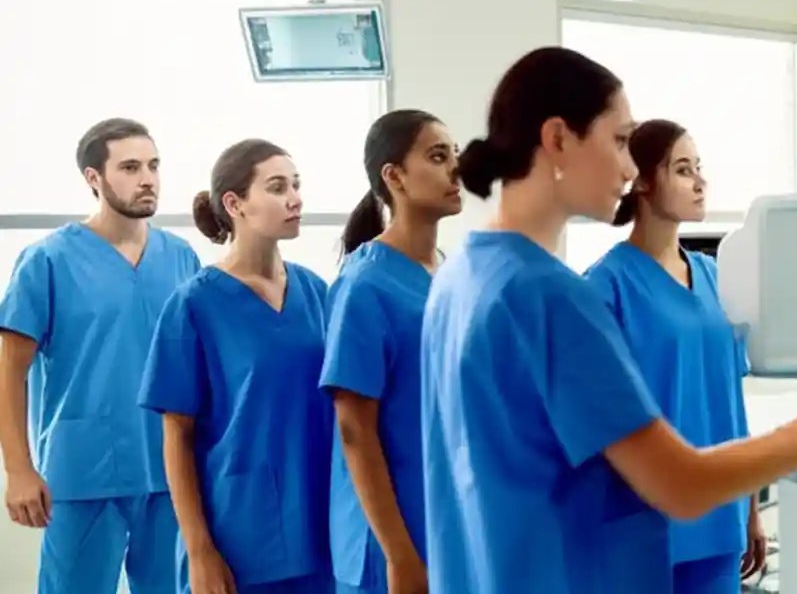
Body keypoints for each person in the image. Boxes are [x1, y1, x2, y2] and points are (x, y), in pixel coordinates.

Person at [420, 46, 797, 594]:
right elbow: (680, 484)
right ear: (558, 138)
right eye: (621, 140)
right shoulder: (553, 296)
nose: (629, 168)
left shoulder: (458, 278)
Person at [0, 118, 201, 594]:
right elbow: (10, 372)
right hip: (82, 471)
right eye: (130, 167)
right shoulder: (47, 260)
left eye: (153, 165)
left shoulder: (181, 258)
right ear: (95, 178)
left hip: (169, 472)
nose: (147, 178)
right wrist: (19, 470)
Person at [137, 139, 334, 594]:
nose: (295, 198)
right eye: (277, 186)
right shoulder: (194, 304)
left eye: (297, 185)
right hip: (239, 539)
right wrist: (200, 549)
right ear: (235, 203)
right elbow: (176, 436)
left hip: (321, 533)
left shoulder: (317, 292)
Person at [584, 119, 762, 593]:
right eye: (683, 169)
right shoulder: (605, 288)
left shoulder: (716, 278)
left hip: (718, 520)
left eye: (699, 168)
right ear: (641, 179)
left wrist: (750, 509)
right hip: (638, 529)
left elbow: (731, 400)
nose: (700, 182)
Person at [321, 109, 463, 594]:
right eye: (439, 156)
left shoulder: (449, 274)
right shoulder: (365, 285)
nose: (455, 170)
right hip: (388, 540)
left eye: (456, 156)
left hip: (444, 519)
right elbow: (354, 428)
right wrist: (398, 555)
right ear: (395, 176)